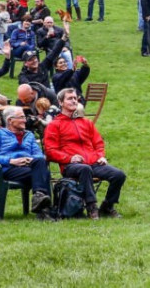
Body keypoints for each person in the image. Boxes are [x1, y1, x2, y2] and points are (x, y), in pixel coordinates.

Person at [44, 88, 127, 219]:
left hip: (93, 163)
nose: (74, 100)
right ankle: (91, 206)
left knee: (118, 175)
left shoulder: (86, 123)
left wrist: (101, 156)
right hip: (70, 166)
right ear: (60, 102)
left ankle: (107, 206)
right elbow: (50, 151)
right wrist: (69, 158)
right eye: (69, 98)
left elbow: (98, 143)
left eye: (75, 98)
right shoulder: (54, 125)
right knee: (85, 169)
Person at [0, 107, 53, 219]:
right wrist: (10, 161)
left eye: (25, 117)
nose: (25, 120)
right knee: (44, 174)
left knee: (41, 161)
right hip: (10, 169)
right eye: (22, 117)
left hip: (29, 167)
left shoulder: (29, 135)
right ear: (10, 120)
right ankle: (45, 211)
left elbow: (38, 154)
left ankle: (39, 197)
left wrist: (30, 159)